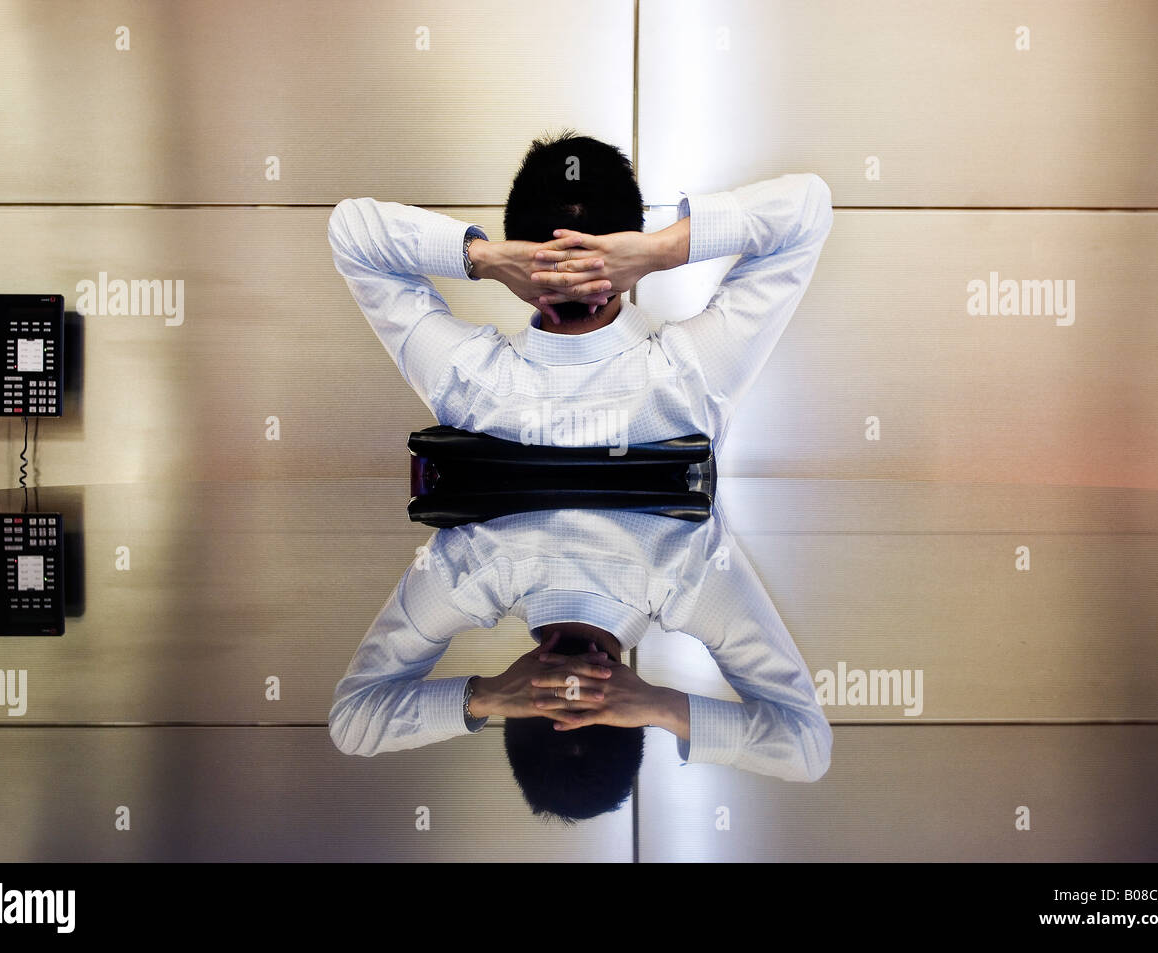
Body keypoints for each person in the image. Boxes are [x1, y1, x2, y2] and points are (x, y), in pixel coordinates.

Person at [327, 129, 834, 457]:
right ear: (627, 239)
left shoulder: (466, 383)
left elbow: (351, 231)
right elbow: (807, 207)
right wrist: (657, 252)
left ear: (523, 249)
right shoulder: (694, 376)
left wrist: (490, 258)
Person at [329, 505, 832, 823]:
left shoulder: (695, 580)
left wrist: (660, 705)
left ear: (633, 713)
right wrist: (485, 696)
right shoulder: (466, 570)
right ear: (516, 698)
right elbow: (351, 723)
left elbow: (808, 749)